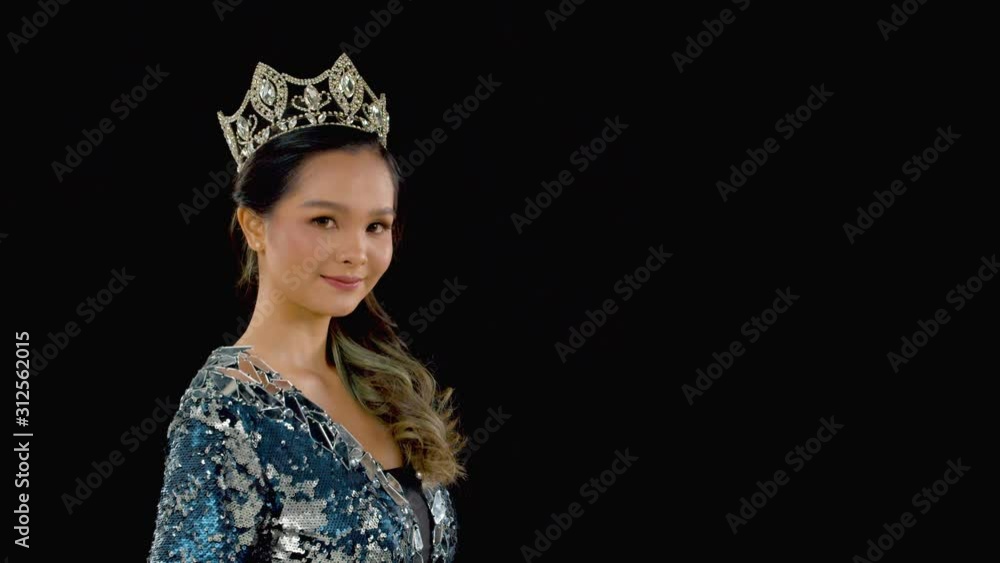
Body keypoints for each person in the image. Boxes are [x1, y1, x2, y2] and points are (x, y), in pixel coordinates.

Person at [148, 53, 465, 562]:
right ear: (255, 226)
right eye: (324, 221)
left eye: (376, 226)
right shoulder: (225, 413)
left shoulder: (381, 385)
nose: (356, 252)